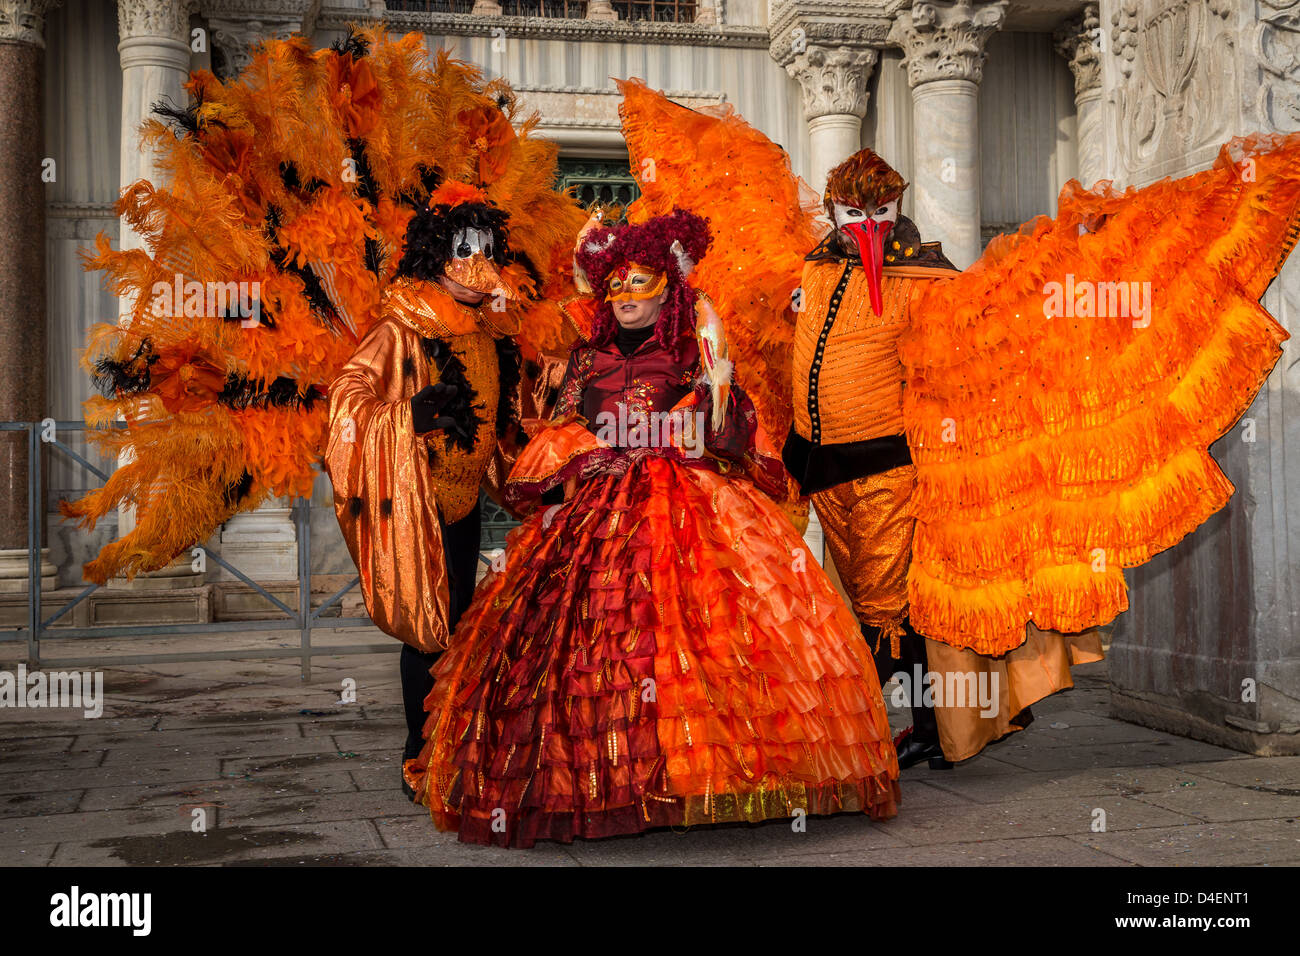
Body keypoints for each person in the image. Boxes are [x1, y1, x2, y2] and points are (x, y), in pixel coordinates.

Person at [406, 208, 901, 847]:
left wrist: (714, 401)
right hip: (599, 511)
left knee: (701, 631)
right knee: (591, 639)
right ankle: (607, 782)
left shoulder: (693, 350)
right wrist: (587, 447)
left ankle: (707, 773)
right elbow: (558, 429)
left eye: (639, 283)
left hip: (688, 502)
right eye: (615, 285)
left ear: (668, 287)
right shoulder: (587, 360)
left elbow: (729, 434)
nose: (625, 297)